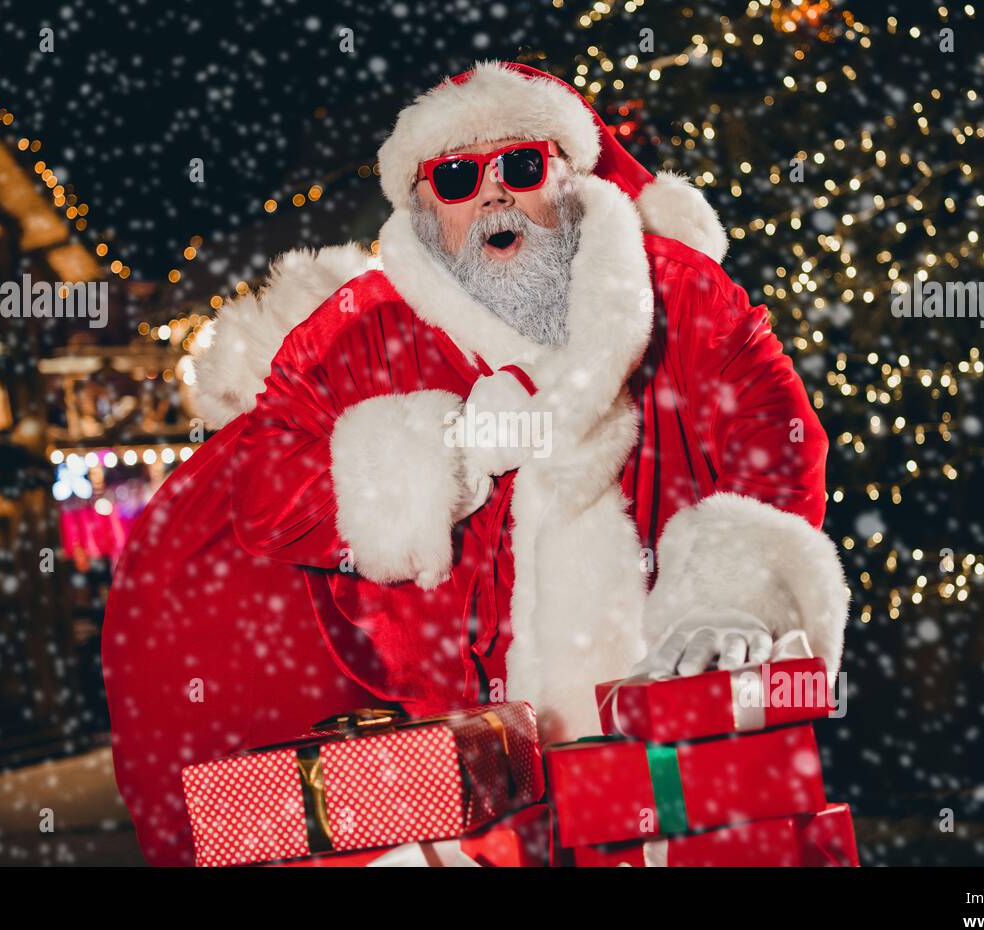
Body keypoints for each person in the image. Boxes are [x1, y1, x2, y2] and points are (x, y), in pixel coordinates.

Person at [102, 61, 849, 866]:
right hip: (477, 778)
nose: (493, 194)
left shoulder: (681, 295)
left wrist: (732, 596)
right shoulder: (362, 336)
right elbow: (267, 494)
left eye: (520, 166)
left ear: (565, 176)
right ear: (426, 210)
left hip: (665, 737)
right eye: (458, 178)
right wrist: (454, 452)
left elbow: (777, 448)